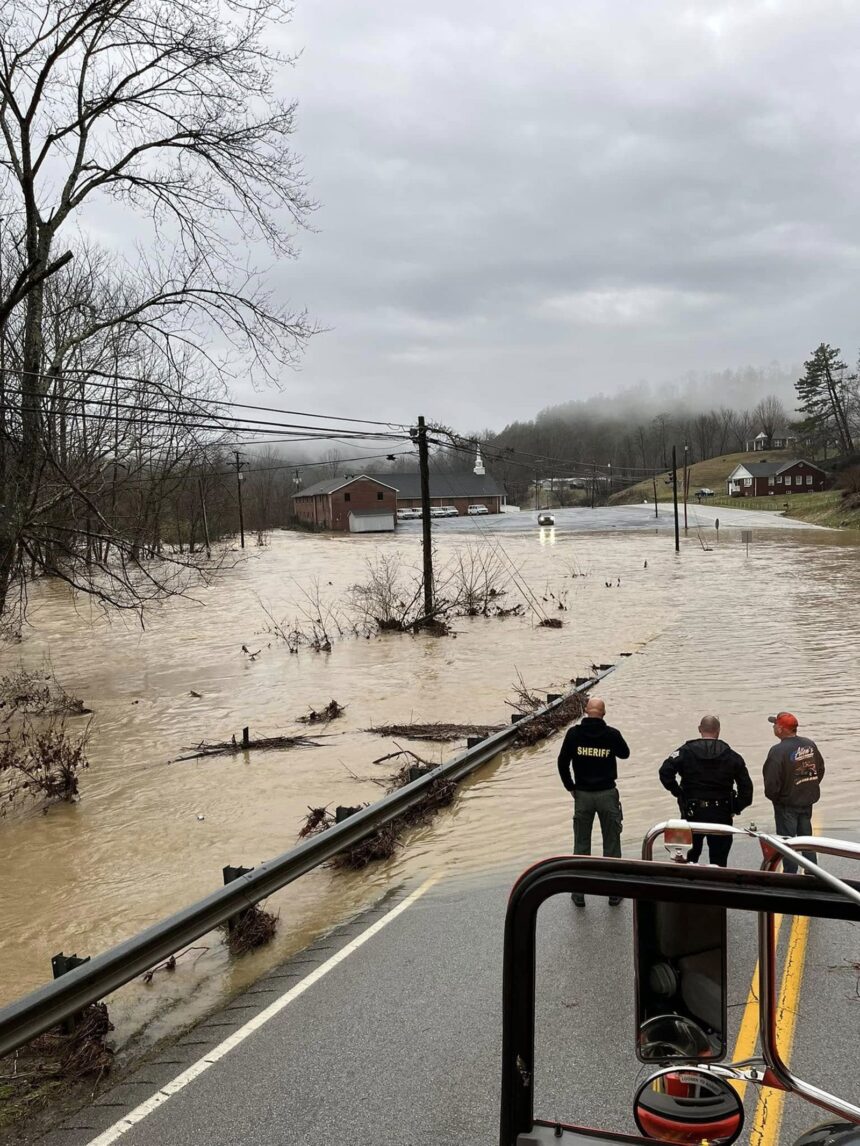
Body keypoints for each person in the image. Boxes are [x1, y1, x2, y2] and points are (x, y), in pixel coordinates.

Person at [557, 696, 630, 906]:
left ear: (586, 711)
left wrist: (570, 787)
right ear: (604, 714)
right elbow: (625, 754)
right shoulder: (612, 734)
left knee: (581, 843)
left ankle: (579, 893)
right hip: (607, 794)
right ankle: (613, 892)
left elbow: (562, 762)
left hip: (583, 796)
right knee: (612, 843)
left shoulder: (574, 734)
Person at [659, 716, 753, 867]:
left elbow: (665, 772)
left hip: (692, 812)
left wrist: (679, 793)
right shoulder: (732, 756)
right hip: (721, 813)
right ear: (718, 731)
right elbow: (747, 790)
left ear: (699, 729)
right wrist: (735, 807)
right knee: (719, 861)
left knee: (688, 859)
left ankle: (690, 881)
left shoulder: (685, 752)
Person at [763, 711, 825, 874]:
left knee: (788, 843)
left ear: (781, 729)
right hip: (806, 801)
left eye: (775, 724)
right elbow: (820, 769)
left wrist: (777, 799)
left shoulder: (777, 751)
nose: (773, 727)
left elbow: (771, 782)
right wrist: (808, 788)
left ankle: (790, 876)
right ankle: (812, 872)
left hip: (786, 805)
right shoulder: (809, 744)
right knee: (807, 840)